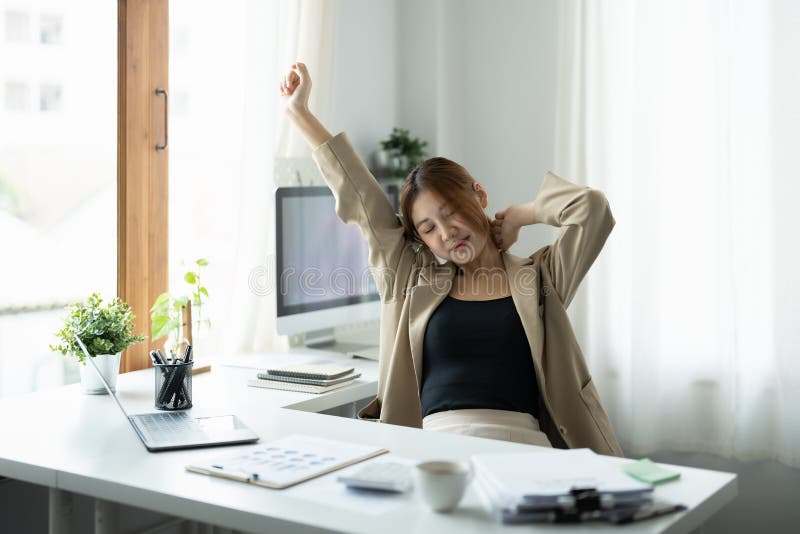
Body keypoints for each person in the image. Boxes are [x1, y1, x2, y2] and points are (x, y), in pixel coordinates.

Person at [280, 62, 623, 456]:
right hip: (431, 450)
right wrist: (300, 113)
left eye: (450, 212)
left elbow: (592, 210)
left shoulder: (541, 277)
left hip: (525, 448)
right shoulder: (410, 279)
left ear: (478, 194)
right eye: (427, 228)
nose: (445, 233)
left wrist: (522, 214)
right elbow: (362, 200)